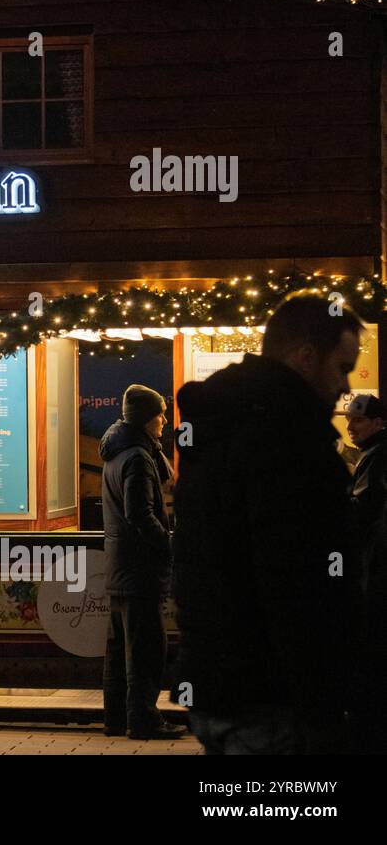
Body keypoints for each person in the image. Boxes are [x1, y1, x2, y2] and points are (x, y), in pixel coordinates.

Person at [174, 292, 360, 754]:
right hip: (274, 698)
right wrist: (324, 696)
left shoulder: (223, 423)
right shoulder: (287, 440)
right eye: (342, 368)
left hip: (219, 685)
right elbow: (294, 581)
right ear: (305, 357)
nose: (346, 387)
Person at [99, 384, 184, 740]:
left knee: (120, 649)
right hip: (139, 568)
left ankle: (116, 718)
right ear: (145, 419)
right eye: (159, 414)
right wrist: (168, 545)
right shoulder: (137, 457)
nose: (164, 420)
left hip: (119, 566)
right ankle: (144, 720)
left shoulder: (116, 452)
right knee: (147, 648)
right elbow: (141, 513)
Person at [343, 394, 387, 750]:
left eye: (358, 420)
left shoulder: (377, 457)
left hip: (375, 571)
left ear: (377, 422)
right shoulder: (372, 454)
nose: (350, 426)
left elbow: (362, 508)